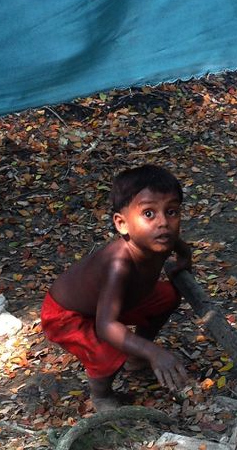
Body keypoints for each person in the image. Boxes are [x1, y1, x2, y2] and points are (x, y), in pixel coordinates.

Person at [41, 164, 191, 410]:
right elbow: (106, 326)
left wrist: (185, 260)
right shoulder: (118, 264)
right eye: (149, 214)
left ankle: (136, 357)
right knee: (106, 351)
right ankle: (101, 395)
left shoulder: (160, 238)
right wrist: (155, 351)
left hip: (118, 302)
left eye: (172, 211)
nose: (163, 223)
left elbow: (180, 247)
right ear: (122, 224)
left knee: (168, 295)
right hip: (67, 314)